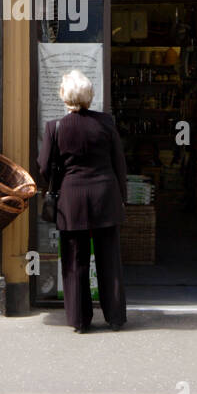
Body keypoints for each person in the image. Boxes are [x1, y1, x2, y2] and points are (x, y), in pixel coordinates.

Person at [37, 69, 128, 333]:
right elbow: (119, 164)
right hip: (105, 197)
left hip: (71, 200)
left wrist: (52, 181)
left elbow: (44, 168)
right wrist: (122, 197)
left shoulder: (55, 127)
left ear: (64, 96)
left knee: (75, 260)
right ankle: (115, 317)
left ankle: (79, 319)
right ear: (89, 95)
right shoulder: (106, 123)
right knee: (109, 259)